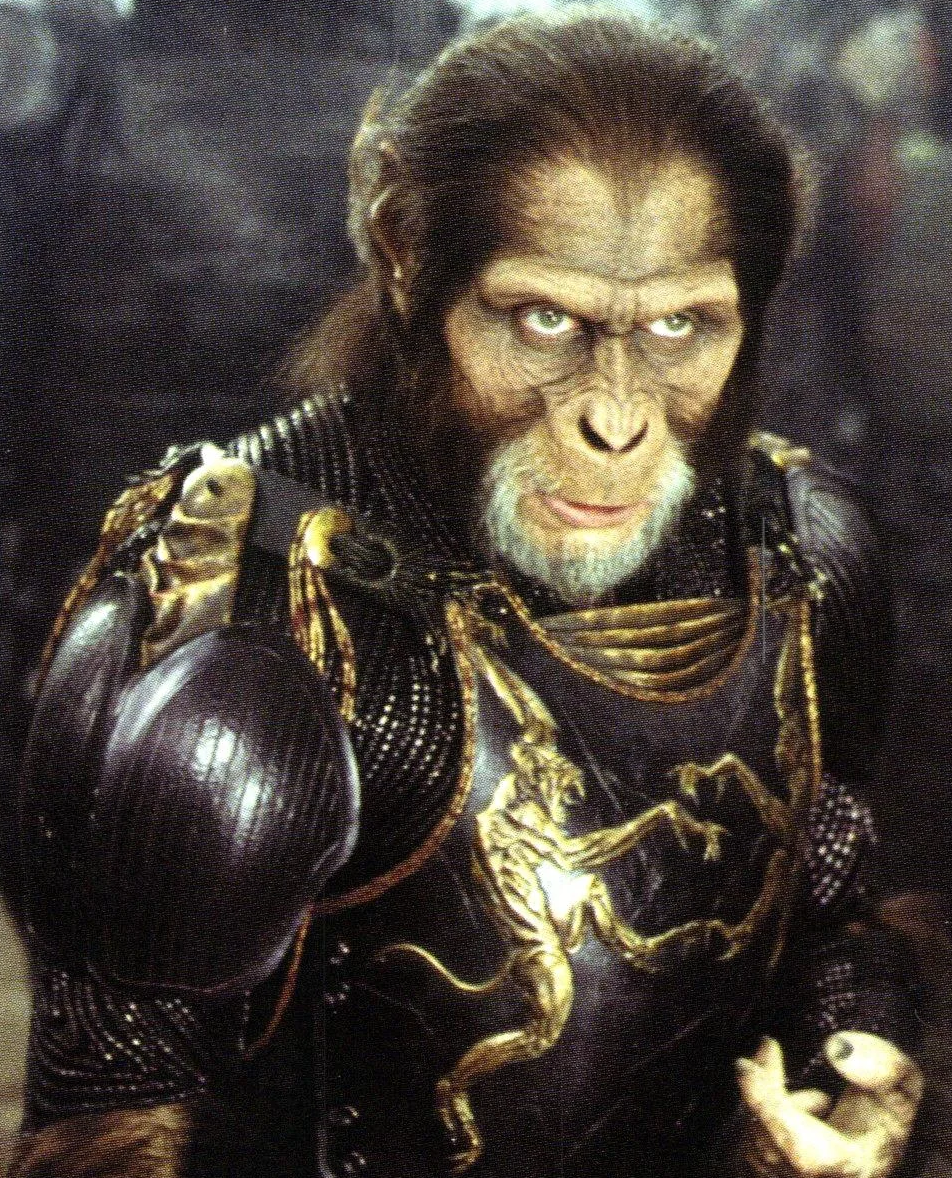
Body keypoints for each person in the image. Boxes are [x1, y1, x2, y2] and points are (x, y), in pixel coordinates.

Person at [11, 11, 931, 1177]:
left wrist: (854, 1074)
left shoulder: (799, 545)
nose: (613, 415)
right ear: (405, 252)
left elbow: (831, 901)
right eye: (545, 319)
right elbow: (109, 1131)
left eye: (678, 326)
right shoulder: (243, 615)